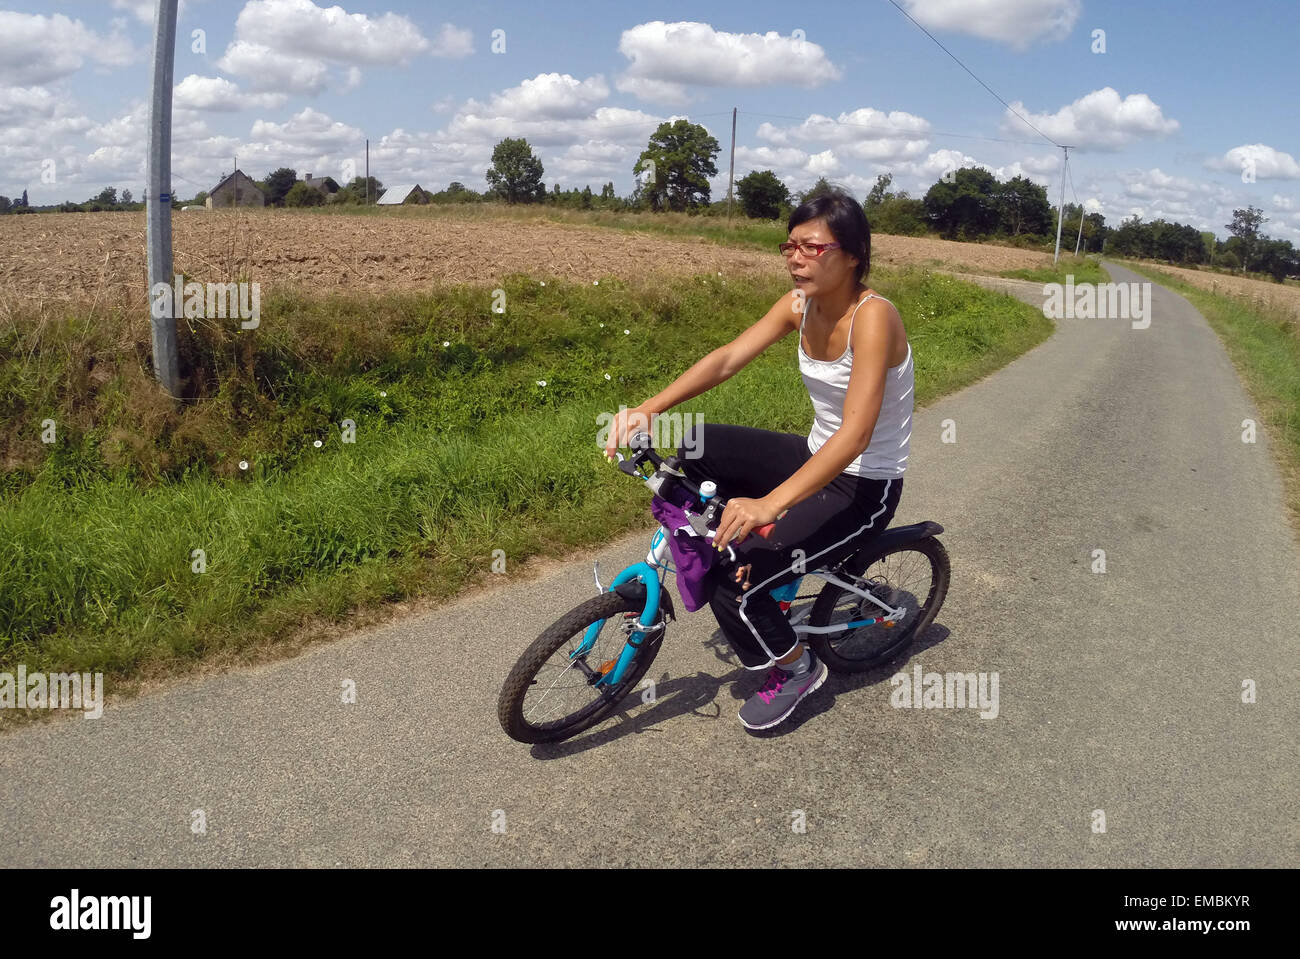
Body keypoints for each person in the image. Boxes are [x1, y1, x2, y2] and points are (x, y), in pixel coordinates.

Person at [603, 189, 913, 731]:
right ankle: (721, 544)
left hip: (862, 483)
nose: (795, 257)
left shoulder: (874, 319)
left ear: (853, 255)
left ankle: (798, 669)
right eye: (789, 244)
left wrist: (768, 505)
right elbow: (726, 359)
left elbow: (857, 435)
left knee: (736, 586)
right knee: (697, 443)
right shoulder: (799, 306)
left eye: (811, 247)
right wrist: (648, 409)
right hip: (812, 455)